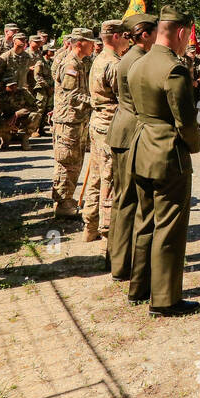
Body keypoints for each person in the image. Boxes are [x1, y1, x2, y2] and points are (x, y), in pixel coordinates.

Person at [128, 6, 200, 315]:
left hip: (140, 149)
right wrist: (193, 147)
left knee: (144, 222)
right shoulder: (174, 69)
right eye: (188, 36)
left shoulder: (137, 64)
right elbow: (185, 121)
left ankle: (139, 288)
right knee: (169, 225)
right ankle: (165, 299)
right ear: (181, 32)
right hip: (167, 154)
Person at [106, 12, 158, 280]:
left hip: (122, 131)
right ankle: (122, 264)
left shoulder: (129, 58)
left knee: (122, 199)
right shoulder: (138, 60)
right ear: (145, 34)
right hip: (130, 133)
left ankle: (116, 258)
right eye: (156, 31)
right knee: (128, 200)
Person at [82, 19, 128, 242]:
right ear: (117, 37)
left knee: (97, 176)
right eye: (126, 37)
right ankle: (108, 234)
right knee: (110, 178)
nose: (128, 41)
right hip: (110, 125)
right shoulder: (115, 64)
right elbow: (125, 99)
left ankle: (89, 224)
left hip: (97, 122)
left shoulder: (99, 59)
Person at [50, 31, 95, 218]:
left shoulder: (79, 63)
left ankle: (66, 199)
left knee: (75, 161)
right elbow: (71, 95)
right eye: (90, 42)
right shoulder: (71, 64)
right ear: (80, 43)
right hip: (68, 121)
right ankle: (62, 203)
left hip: (76, 119)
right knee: (67, 161)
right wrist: (94, 101)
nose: (93, 46)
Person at [0, 76, 34, 148]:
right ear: (5, 87)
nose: (14, 87)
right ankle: (6, 137)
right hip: (7, 121)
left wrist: (18, 113)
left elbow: (35, 107)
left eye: (15, 85)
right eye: (11, 86)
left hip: (22, 119)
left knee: (35, 116)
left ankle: (25, 138)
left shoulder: (23, 93)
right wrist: (7, 124)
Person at [28, 33, 53, 136]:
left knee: (45, 108)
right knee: (38, 108)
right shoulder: (37, 60)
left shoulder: (47, 61)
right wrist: (47, 86)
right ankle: (32, 129)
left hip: (45, 88)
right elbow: (37, 76)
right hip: (37, 87)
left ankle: (41, 128)